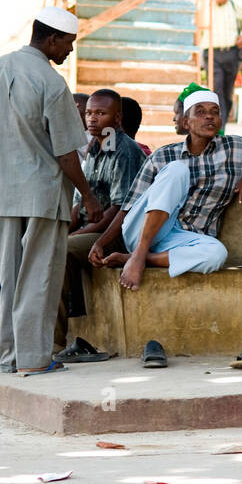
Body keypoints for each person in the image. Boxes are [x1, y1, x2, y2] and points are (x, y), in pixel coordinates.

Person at [0, 6, 103, 375]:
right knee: (39, 274)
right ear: (52, 38)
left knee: (11, 275)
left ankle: (11, 357)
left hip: (6, 191)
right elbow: (65, 153)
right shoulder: (52, 82)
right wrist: (88, 197)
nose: (69, 52)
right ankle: (33, 359)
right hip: (44, 193)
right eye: (69, 44)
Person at [90, 91, 242, 292]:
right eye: (200, 112)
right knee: (177, 169)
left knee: (217, 253)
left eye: (214, 112)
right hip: (142, 231)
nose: (209, 116)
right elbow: (128, 207)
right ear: (186, 123)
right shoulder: (163, 155)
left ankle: (141, 258)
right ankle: (138, 254)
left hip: (184, 240)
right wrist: (100, 243)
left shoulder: (235, 148)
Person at [55, 89, 149, 351]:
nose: (92, 119)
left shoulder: (125, 151)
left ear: (117, 118)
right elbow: (83, 203)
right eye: (89, 113)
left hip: (117, 233)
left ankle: (53, 343)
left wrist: (81, 236)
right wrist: (68, 228)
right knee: (39, 244)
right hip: (94, 228)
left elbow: (122, 208)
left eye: (100, 113)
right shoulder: (96, 147)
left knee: (60, 252)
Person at [204, 0, 242, 129]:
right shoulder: (206, 7)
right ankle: (218, 127)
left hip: (231, 53)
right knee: (218, 90)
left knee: (228, 93)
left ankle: (223, 124)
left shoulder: (234, 6)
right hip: (212, 53)